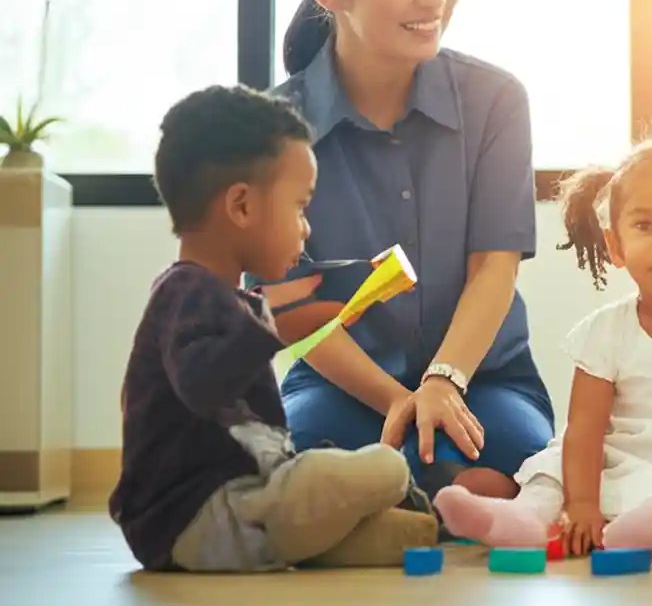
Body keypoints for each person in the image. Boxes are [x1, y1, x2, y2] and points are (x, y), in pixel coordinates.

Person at [254, 0, 554, 501]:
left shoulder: (495, 101)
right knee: (298, 466)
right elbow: (289, 308)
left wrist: (443, 382)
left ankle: (408, 498)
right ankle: (420, 497)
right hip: (340, 388)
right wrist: (398, 400)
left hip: (482, 382)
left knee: (527, 465)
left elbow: (494, 268)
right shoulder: (269, 128)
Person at [108, 85, 438, 572]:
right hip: (189, 516)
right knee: (379, 466)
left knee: (409, 538)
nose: (305, 228)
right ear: (241, 206)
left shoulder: (230, 299)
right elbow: (202, 385)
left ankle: (380, 522)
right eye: (300, 206)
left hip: (246, 506)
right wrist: (276, 326)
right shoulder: (184, 293)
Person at [430, 139, 652, 554]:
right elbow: (584, 432)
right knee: (552, 469)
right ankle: (522, 518)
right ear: (616, 246)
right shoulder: (603, 332)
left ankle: (643, 529)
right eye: (644, 226)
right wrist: (582, 504)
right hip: (601, 466)